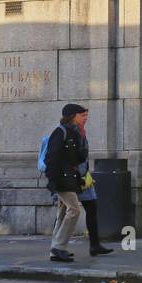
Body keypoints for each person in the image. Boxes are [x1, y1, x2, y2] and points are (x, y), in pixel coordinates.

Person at [46, 103, 90, 262]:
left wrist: (83, 139)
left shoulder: (75, 133)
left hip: (70, 178)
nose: (83, 117)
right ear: (72, 116)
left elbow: (78, 158)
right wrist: (52, 181)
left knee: (63, 212)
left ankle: (55, 249)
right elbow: (51, 158)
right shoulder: (60, 132)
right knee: (74, 210)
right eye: (80, 115)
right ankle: (59, 247)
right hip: (61, 179)